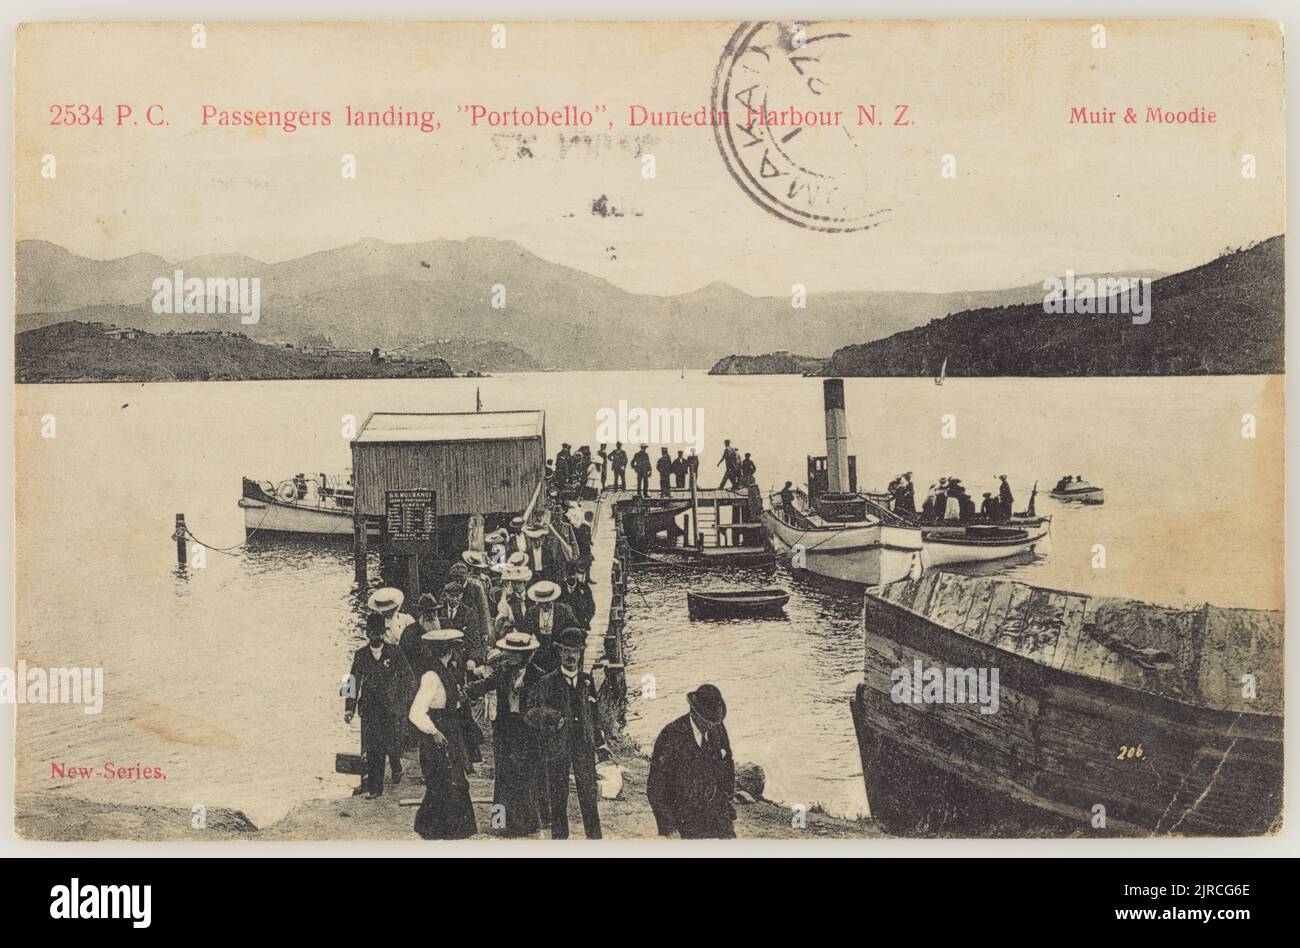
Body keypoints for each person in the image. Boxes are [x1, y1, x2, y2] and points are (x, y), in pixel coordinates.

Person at [524, 627, 609, 839]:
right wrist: (551, 717)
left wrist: (600, 743)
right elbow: (529, 713)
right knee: (558, 799)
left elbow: (594, 716)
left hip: (583, 748)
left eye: (575, 651)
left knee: (589, 798)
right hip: (557, 748)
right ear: (559, 652)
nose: (570, 656)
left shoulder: (587, 682)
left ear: (581, 654)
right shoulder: (546, 683)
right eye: (566, 651)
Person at [465, 628, 547, 838]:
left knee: (526, 776)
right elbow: (485, 684)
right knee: (503, 776)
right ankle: (499, 822)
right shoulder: (503, 671)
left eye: (512, 654)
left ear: (524, 656)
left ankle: (527, 823)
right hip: (504, 729)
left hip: (527, 731)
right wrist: (464, 692)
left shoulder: (538, 676)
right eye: (507, 653)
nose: (507, 657)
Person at [408, 626, 477, 839]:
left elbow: (449, 700)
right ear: (447, 651)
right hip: (438, 733)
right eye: (453, 650)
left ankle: (441, 828)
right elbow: (416, 712)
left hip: (449, 730)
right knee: (443, 780)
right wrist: (433, 731)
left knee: (451, 779)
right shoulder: (431, 676)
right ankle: (439, 829)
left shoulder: (445, 671)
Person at [646, 684, 736, 839]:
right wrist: (669, 828)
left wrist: (726, 796)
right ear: (694, 713)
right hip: (683, 817)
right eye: (709, 721)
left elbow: (727, 763)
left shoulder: (717, 727)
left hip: (717, 813)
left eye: (716, 721)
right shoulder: (671, 735)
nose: (713, 726)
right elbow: (656, 787)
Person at [345, 613, 416, 799]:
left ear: (383, 633)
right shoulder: (360, 655)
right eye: (372, 633)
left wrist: (404, 700)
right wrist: (349, 708)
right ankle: (376, 789)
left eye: (379, 633)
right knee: (374, 747)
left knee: (392, 743)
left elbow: (408, 677)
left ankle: (396, 764)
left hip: (391, 709)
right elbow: (352, 682)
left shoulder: (394, 652)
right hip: (370, 710)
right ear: (367, 634)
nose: (376, 637)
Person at [520, 580, 577, 671]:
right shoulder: (531, 612)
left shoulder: (564, 610)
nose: (546, 605)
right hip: (538, 653)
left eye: (548, 602)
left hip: (558, 653)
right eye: (543, 602)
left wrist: (563, 643)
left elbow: (575, 630)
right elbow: (525, 633)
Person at [401, 592, 441, 675]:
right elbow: (405, 659)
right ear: (420, 613)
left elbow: (456, 647)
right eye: (427, 612)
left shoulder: (446, 625)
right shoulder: (409, 632)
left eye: (434, 611)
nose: (431, 615)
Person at [559, 565, 596, 630]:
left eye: (573, 574)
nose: (571, 577)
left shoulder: (584, 588)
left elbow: (591, 606)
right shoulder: (560, 588)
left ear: (577, 574)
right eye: (569, 575)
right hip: (564, 623)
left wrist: (586, 619)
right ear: (565, 575)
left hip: (580, 622)